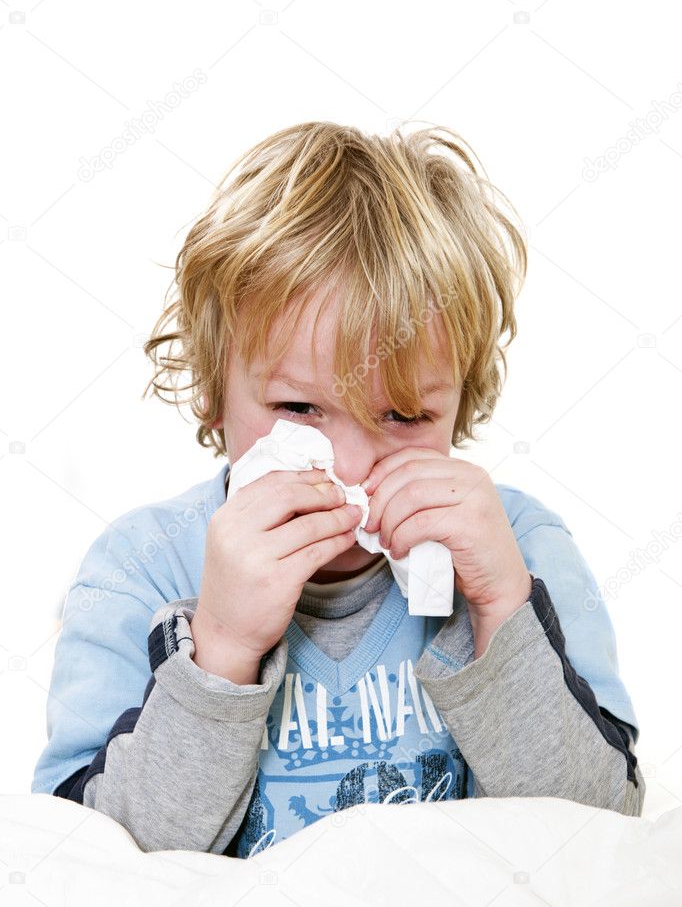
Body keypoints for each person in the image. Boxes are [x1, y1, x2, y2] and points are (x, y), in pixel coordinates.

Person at [31, 121, 644, 856]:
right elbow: (79, 862)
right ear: (213, 392)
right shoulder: (138, 569)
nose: (349, 467)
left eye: (404, 415)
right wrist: (221, 647)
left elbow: (603, 837)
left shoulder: (523, 549)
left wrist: (502, 615)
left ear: (461, 401)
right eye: (298, 409)